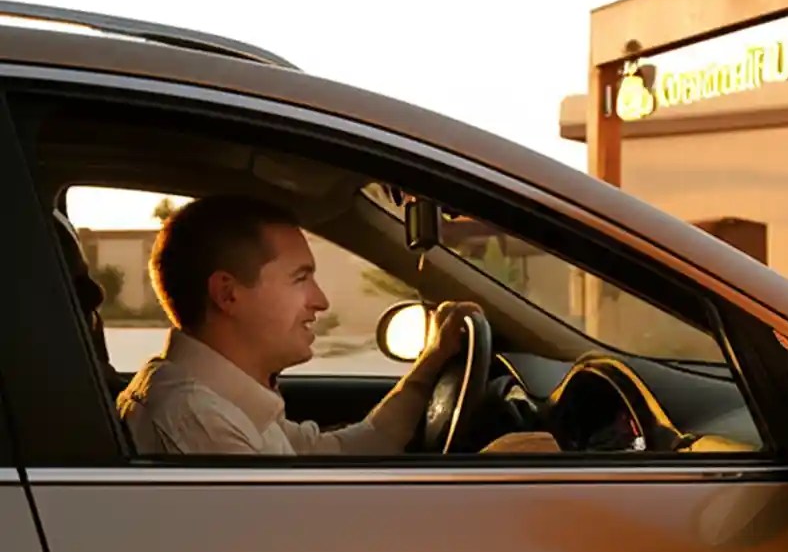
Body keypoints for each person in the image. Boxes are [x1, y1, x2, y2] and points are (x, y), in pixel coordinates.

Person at [118, 194, 558, 456]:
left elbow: (351, 448)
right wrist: (492, 477)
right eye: (300, 278)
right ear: (228, 294)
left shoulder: (223, 400)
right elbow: (309, 542)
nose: (321, 301)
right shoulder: (197, 419)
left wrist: (430, 363)